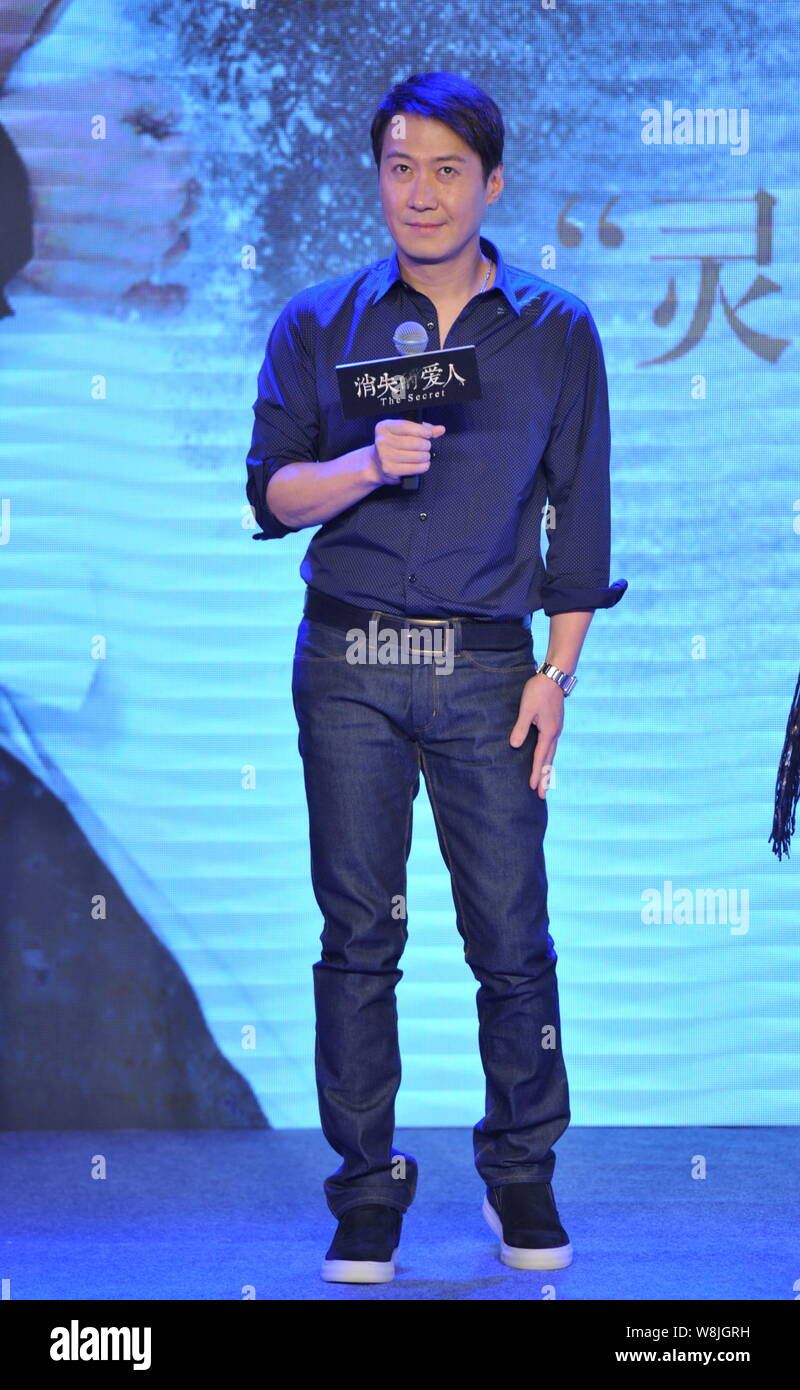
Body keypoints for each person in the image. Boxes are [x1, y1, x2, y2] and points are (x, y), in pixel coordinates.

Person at [245, 70, 627, 1284]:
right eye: (401, 167)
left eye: (446, 169)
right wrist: (361, 462)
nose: (421, 191)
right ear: (378, 178)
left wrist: (555, 677)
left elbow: (584, 529)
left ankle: (520, 1177)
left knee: (510, 936)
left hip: (485, 666)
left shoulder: (556, 331)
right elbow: (269, 492)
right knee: (357, 937)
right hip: (347, 659)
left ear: (492, 183)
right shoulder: (318, 322)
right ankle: (364, 1194)